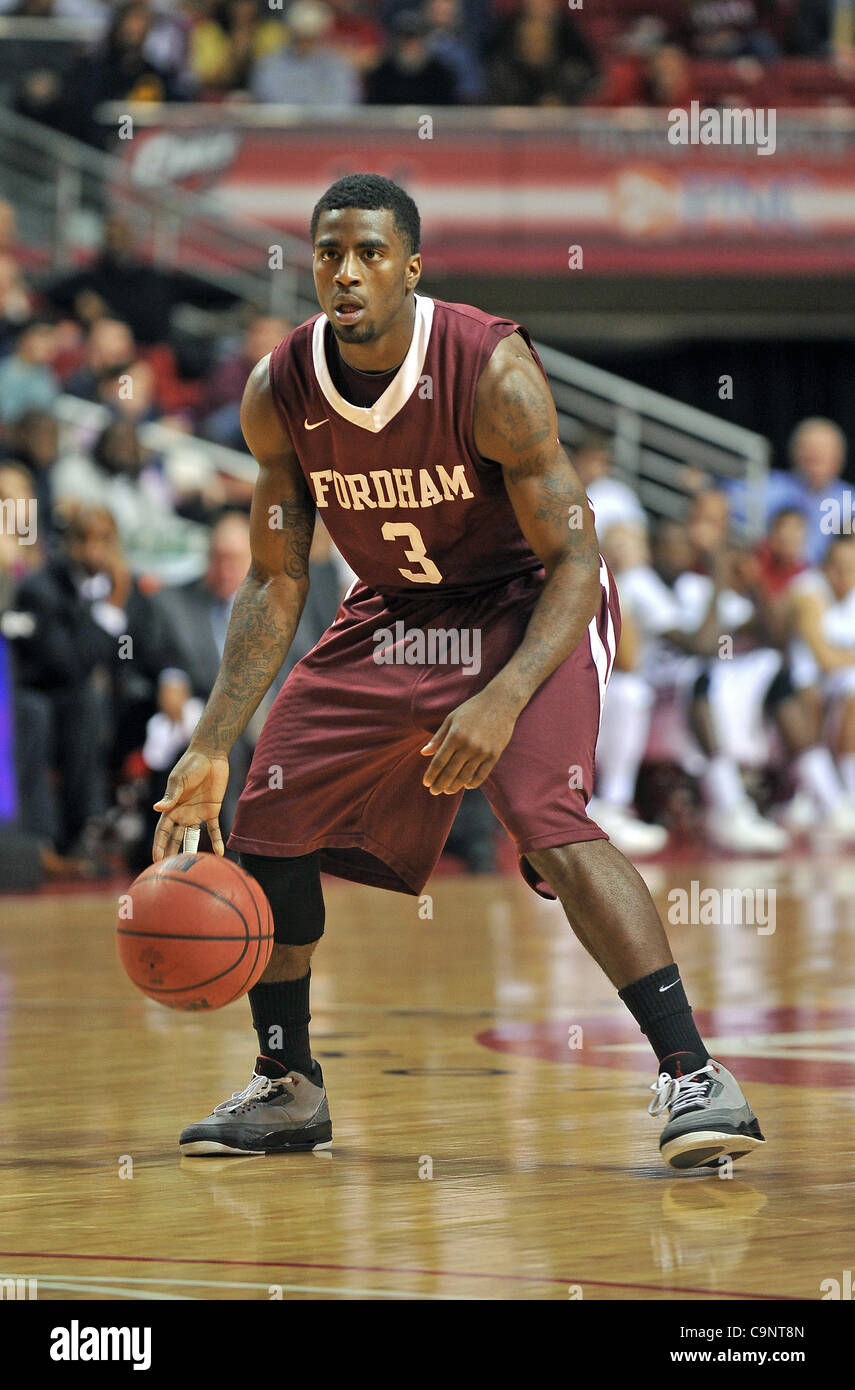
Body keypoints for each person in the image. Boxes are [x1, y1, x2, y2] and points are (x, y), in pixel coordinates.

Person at [153, 173, 765, 1170]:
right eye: (328, 254)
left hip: (529, 605)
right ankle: (287, 1083)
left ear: (412, 267)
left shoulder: (490, 368)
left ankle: (695, 1075)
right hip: (396, 612)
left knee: (546, 816)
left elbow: (578, 559)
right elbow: (272, 581)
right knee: (267, 815)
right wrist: (214, 741)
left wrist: (504, 695)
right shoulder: (281, 391)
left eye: (370, 254)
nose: (346, 272)